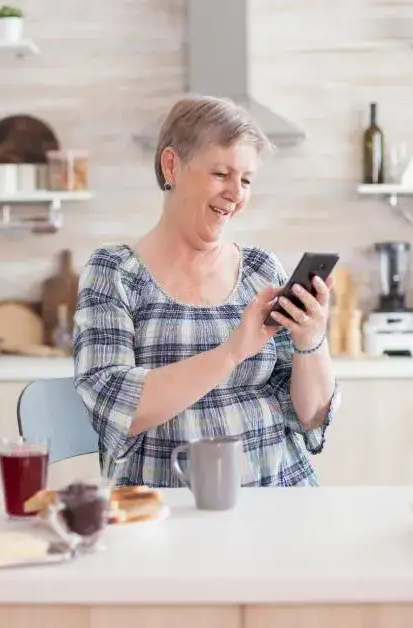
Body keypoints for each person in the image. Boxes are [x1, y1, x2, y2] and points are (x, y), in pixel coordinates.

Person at [72, 95, 340, 487]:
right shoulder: (114, 273)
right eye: (221, 174)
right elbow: (116, 407)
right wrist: (232, 351)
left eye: (246, 180)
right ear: (172, 166)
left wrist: (311, 341)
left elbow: (311, 416)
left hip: (280, 497)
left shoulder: (260, 270)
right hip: (165, 510)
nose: (236, 193)